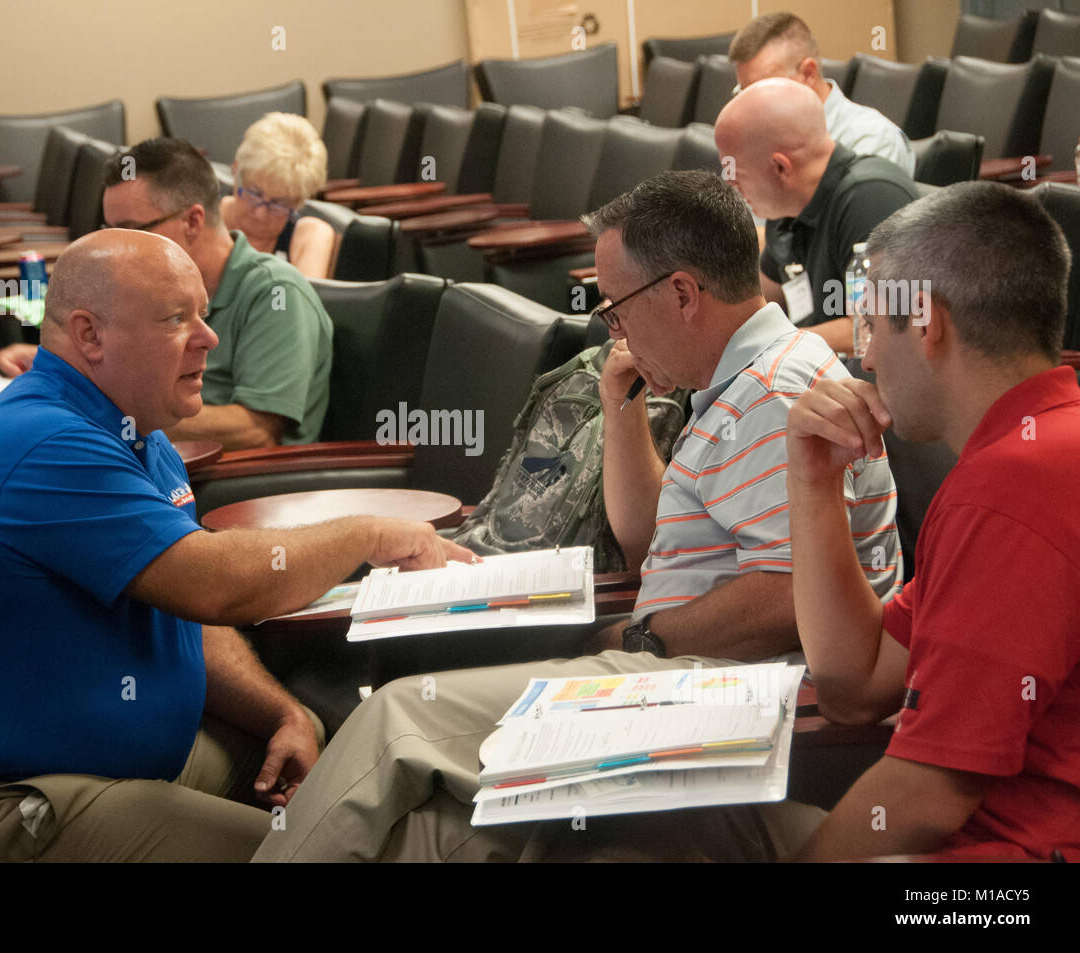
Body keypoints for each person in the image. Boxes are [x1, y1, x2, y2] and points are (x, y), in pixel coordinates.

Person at [251, 170, 901, 862]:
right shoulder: (737, 380)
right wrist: (620, 409)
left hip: (724, 688)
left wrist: (645, 635)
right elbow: (645, 541)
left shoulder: (772, 396)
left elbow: (783, 594)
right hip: (683, 670)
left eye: (616, 307)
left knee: (396, 718)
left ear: (682, 293)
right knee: (426, 839)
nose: (610, 327)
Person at [0, 229, 475, 862]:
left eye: (205, 311)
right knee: (347, 853)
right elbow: (214, 584)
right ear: (89, 334)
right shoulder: (47, 443)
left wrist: (281, 713)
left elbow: (188, 609)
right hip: (31, 799)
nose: (208, 337)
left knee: (353, 782)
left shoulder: (138, 431)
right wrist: (367, 533)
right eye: (176, 318)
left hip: (142, 759)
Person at [787, 181, 1079, 861]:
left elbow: (926, 796)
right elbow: (854, 684)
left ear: (924, 320)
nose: (862, 355)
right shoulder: (1033, 448)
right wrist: (812, 480)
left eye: (868, 324)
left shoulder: (1011, 487)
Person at [0, 137, 332, 449]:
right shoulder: (153, 293)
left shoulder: (276, 293)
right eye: (109, 230)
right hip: (153, 458)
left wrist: (105, 409)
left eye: (131, 230)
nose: (117, 244)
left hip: (237, 485)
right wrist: (66, 356)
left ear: (193, 222)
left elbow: (255, 431)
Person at [715, 78, 919, 355]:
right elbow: (758, 301)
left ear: (780, 168)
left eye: (737, 175)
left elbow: (874, 329)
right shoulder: (787, 207)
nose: (731, 186)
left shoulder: (870, 198)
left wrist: (765, 347)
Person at [728, 12, 915, 175]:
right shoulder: (759, 142)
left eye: (764, 91)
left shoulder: (872, 140)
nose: (750, 107)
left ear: (808, 73)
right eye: (744, 93)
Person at [218, 112, 335, 280]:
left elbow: (300, 304)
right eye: (254, 193)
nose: (261, 214)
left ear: (298, 202)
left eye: (279, 204)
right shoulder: (202, 221)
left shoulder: (309, 235)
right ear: (236, 171)